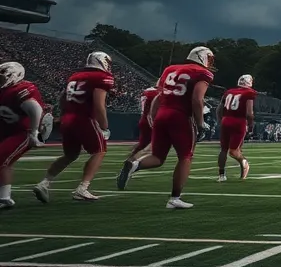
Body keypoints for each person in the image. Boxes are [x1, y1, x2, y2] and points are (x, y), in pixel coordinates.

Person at [117, 46, 215, 209]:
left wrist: (154, 116)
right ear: (202, 57)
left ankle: (134, 164)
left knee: (158, 157)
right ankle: (174, 198)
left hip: (162, 114)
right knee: (185, 157)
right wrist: (200, 123)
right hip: (181, 116)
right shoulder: (202, 73)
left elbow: (158, 96)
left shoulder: (170, 69)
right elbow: (197, 100)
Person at [35, 51, 114, 203]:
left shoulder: (74, 76)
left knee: (70, 155)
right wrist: (104, 125)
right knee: (99, 151)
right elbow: (99, 104)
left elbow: (62, 98)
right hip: (84, 119)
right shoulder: (102, 77)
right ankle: (83, 188)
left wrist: (62, 116)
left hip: (68, 117)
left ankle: (44, 183)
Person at [0, 61, 50, 209]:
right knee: (4, 162)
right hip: (7, 131)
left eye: (2, 77)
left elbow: (35, 109)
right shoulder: (4, 91)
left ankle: (4, 198)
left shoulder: (22, 88)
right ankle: (4, 198)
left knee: (2, 159)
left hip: (22, 132)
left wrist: (34, 132)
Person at [217, 74, 256, 182]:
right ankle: (244, 163)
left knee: (223, 150)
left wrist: (221, 120)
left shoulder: (229, 92)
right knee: (234, 151)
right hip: (239, 121)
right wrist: (251, 125)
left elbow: (219, 108)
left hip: (226, 120)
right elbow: (249, 113)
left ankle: (221, 175)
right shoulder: (249, 93)